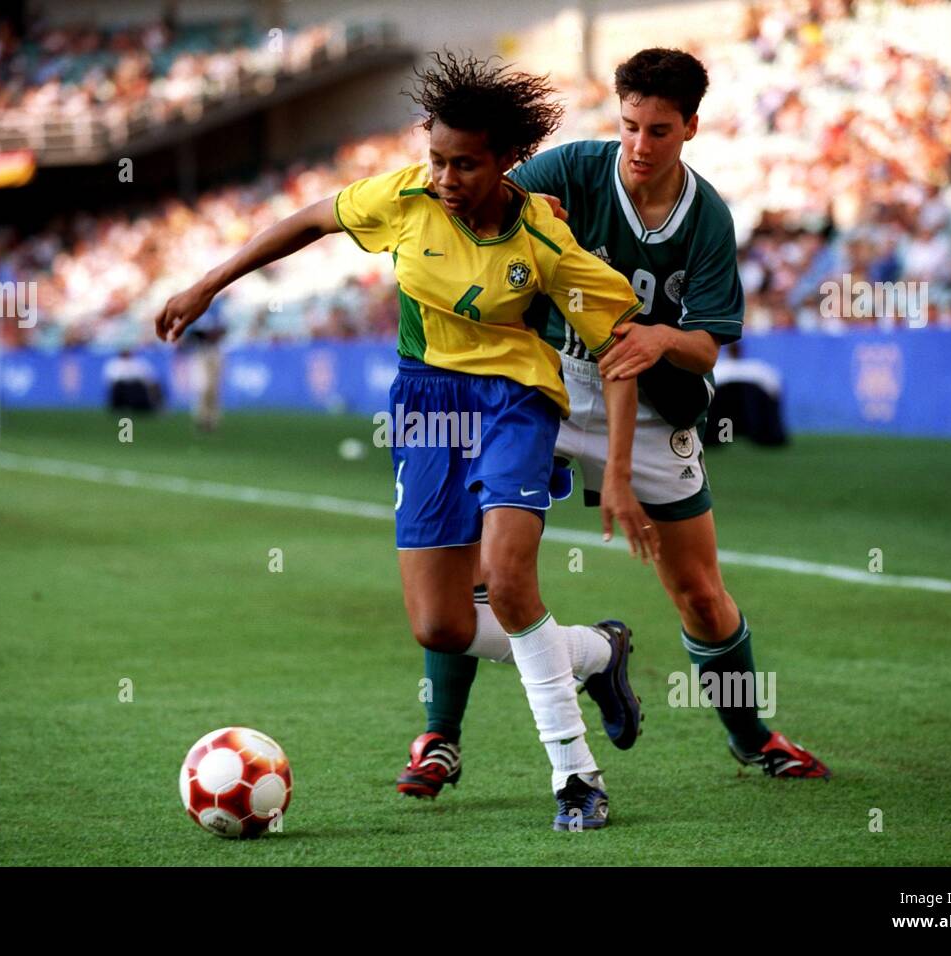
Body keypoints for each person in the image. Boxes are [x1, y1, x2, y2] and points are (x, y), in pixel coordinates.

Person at [157, 51, 665, 830]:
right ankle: (597, 653)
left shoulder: (545, 240)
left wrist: (620, 476)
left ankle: (575, 776)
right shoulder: (402, 197)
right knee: (442, 627)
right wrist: (207, 283)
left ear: (505, 163)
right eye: (437, 158)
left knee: (508, 572)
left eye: (466, 164)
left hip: (515, 402)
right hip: (425, 403)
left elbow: (622, 351)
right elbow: (305, 222)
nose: (447, 177)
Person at [403, 47, 830, 789]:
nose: (639, 145)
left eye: (659, 131)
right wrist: (521, 213)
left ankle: (752, 736)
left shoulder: (707, 218)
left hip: (652, 403)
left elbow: (705, 348)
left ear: (691, 127)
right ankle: (440, 735)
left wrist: (663, 336)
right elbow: (476, 197)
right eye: (629, 125)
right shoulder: (570, 170)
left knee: (697, 589)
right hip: (539, 386)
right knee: (478, 568)